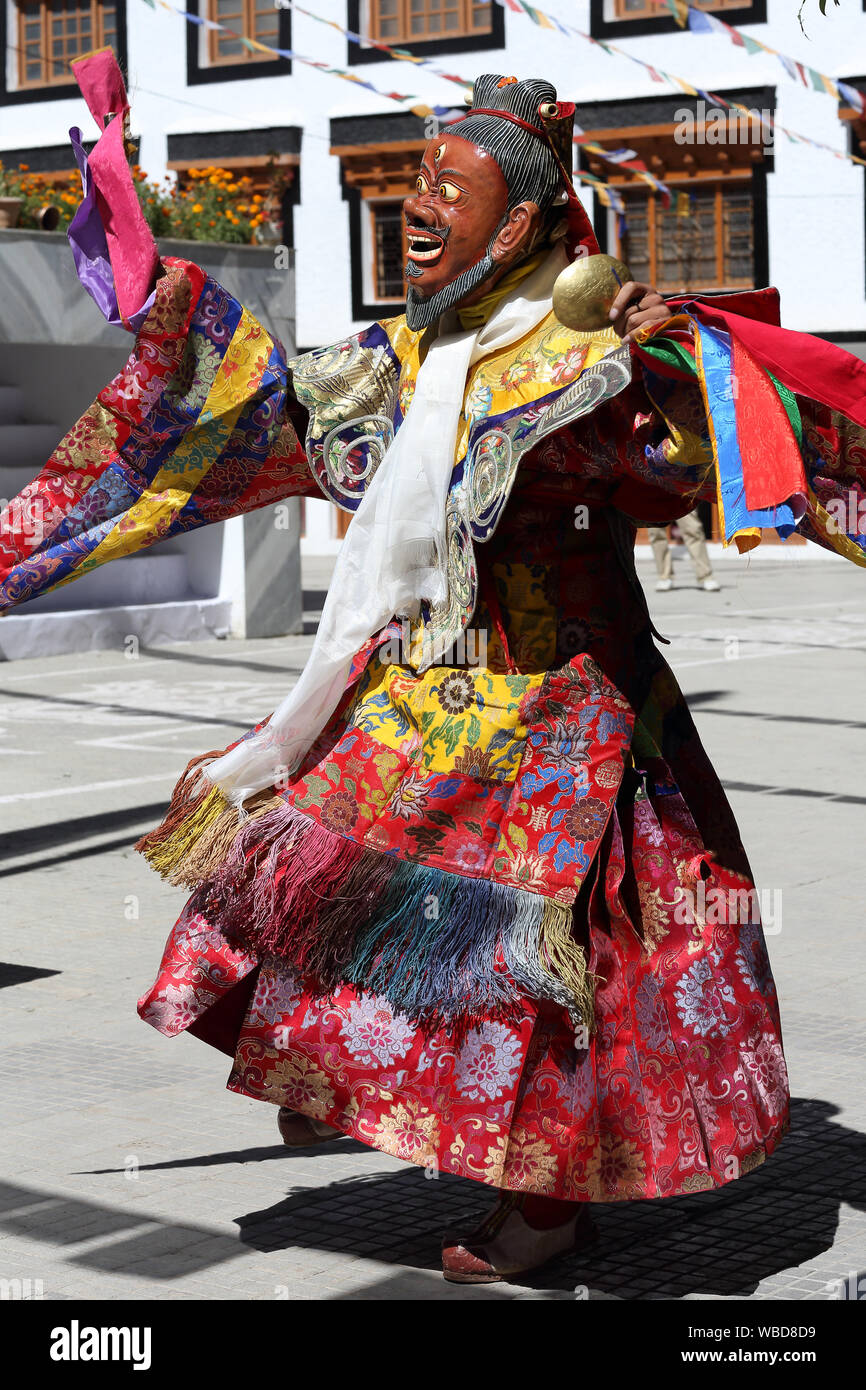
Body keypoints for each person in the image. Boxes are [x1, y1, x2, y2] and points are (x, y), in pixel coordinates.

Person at [2, 56, 866, 1285]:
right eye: (412, 181)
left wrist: (673, 370)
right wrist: (160, 288)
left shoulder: (584, 359)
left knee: (557, 977)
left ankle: (549, 1210)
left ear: (517, 222)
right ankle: (352, 1083)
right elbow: (263, 399)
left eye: (446, 189)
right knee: (303, 868)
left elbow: (698, 461)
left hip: (574, 729)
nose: (415, 207)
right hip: (418, 705)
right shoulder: (404, 360)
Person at [648, 508, 720, 591]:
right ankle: (664, 577)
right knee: (656, 533)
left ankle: (706, 576)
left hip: (681, 495)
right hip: (653, 496)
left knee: (693, 530)